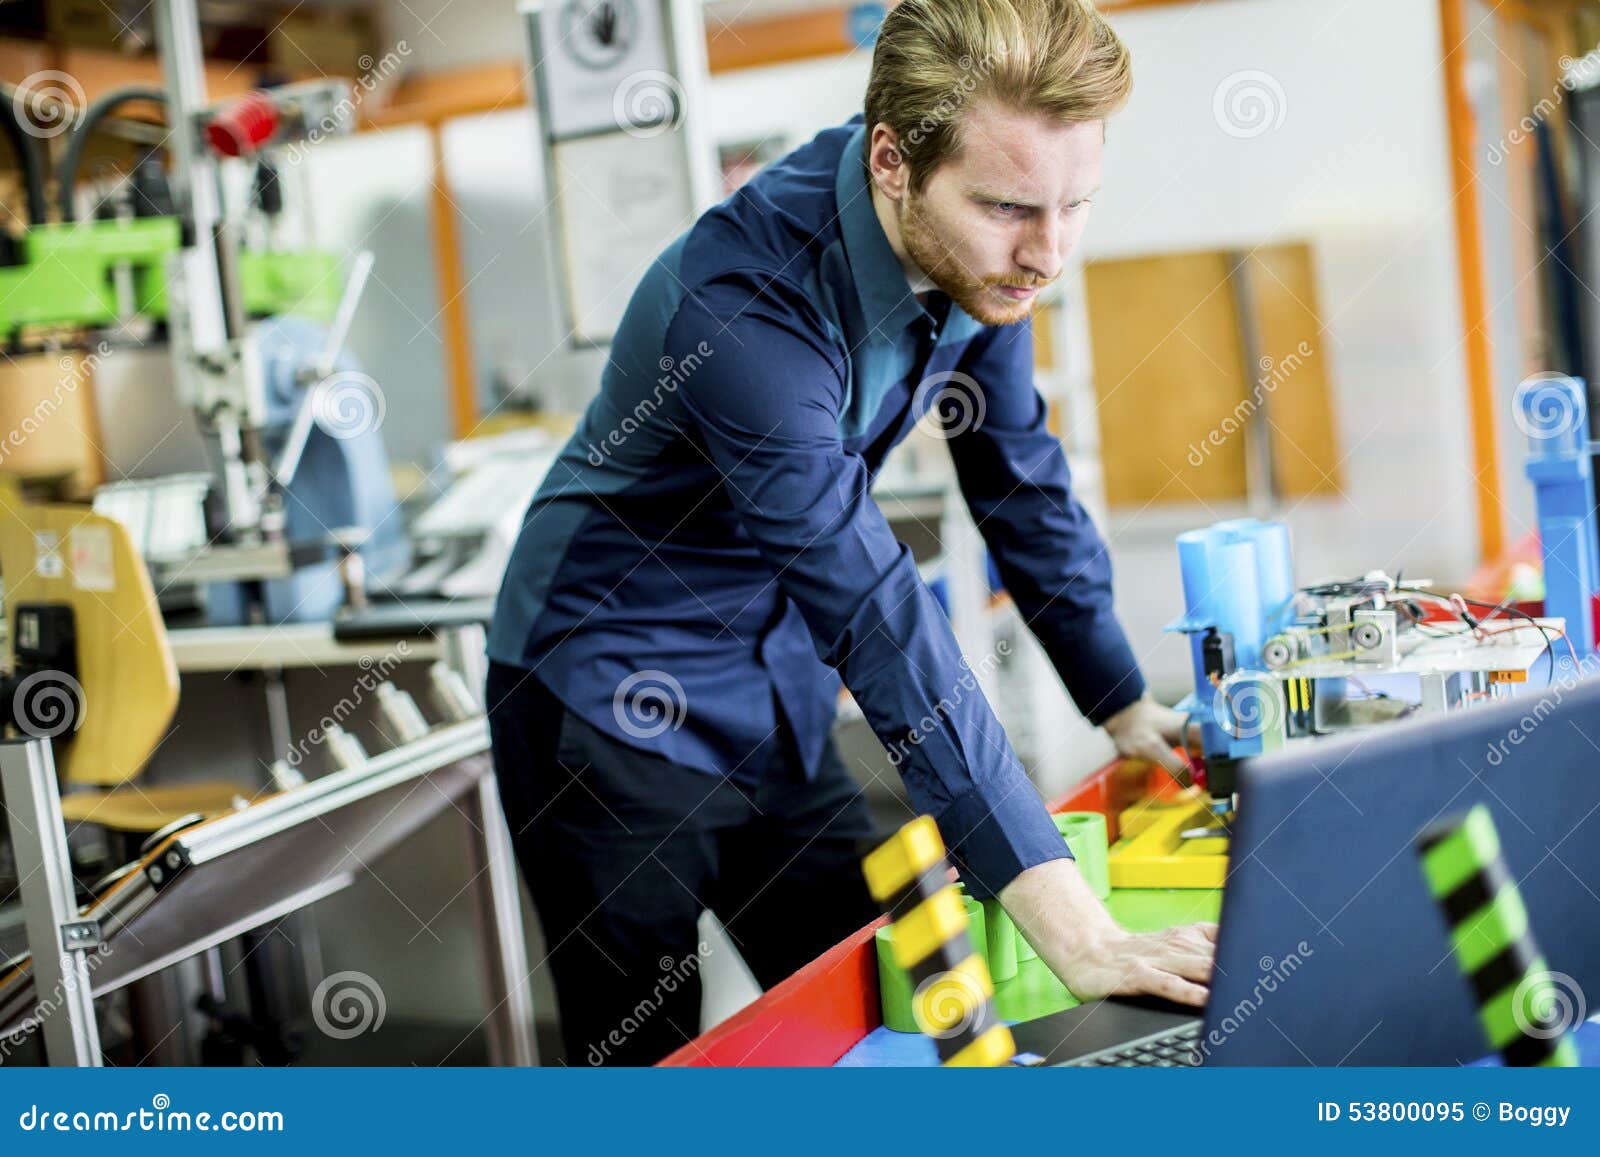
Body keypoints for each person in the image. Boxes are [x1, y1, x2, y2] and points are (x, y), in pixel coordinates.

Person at [486, 0, 1215, 1066]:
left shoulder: (980, 256)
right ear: (891, 162)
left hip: (772, 688)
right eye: (1011, 207)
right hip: (607, 697)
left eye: (1075, 206)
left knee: (883, 1010)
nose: (1047, 252)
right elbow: (871, 608)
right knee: (639, 1060)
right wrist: (1076, 927)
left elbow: (1015, 477)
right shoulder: (742, 306)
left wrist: (1119, 701)